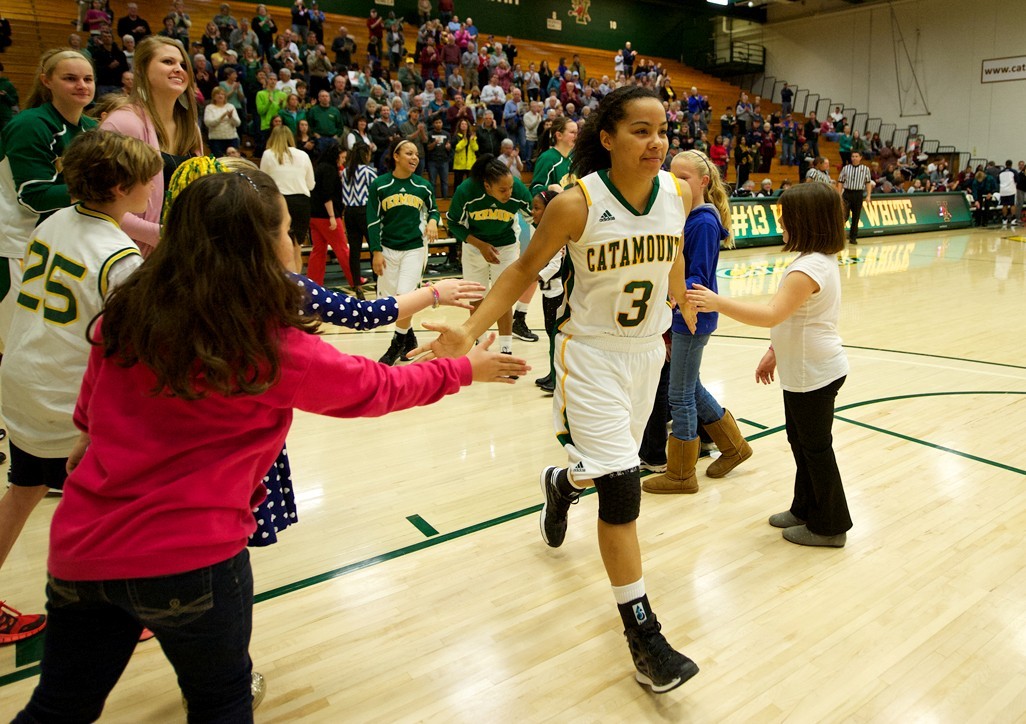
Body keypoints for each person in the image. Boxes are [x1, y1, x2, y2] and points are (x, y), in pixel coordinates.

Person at [9, 165, 526, 722]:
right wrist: (462, 370)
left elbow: (91, 393)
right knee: (222, 702)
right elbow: (378, 388)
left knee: (59, 707)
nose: (294, 240)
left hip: (83, 549)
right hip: (193, 557)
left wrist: (88, 434)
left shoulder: (132, 306)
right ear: (262, 245)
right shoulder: (268, 343)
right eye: (285, 230)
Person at [415, 87, 701, 693]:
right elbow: (520, 269)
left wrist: (679, 296)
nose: (656, 143)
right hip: (591, 355)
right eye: (640, 131)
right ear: (607, 138)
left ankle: (560, 483)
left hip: (647, 353)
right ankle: (643, 636)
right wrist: (469, 329)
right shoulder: (577, 204)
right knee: (623, 490)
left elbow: (671, 247)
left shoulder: (676, 192)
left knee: (608, 469)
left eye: (662, 131)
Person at [0, 130, 159, 647]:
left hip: (22, 376)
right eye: (145, 176)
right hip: (63, 402)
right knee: (120, 509)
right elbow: (126, 351)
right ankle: (114, 614)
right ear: (119, 186)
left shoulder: (52, 221)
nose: (151, 184)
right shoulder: (118, 257)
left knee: (22, 490)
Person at [687, 182, 851, 548]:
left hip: (816, 372)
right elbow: (797, 319)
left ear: (805, 221)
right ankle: (805, 508)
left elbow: (773, 313)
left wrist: (717, 302)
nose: (781, 223)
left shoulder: (809, 268)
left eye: (786, 217)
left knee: (816, 448)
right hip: (803, 369)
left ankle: (830, 526)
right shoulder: (814, 261)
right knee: (801, 442)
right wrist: (774, 350)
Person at [643, 150, 751, 495]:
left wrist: (670, 293)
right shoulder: (686, 215)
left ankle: (681, 473)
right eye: (672, 175)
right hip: (683, 314)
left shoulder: (702, 222)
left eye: (684, 177)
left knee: (679, 395)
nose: (676, 183)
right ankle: (734, 447)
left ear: (703, 182)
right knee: (690, 387)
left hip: (692, 317)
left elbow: (697, 281)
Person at [0, 49, 97, 355]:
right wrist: (101, 188)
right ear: (47, 81)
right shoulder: (30, 124)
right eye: (70, 78)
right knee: (15, 340)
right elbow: (34, 196)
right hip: (14, 243)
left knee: (44, 342)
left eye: (88, 79)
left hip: (56, 243)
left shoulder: (92, 128)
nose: (81, 85)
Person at [100, 35, 201, 255]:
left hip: (180, 251)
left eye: (183, 65)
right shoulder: (123, 123)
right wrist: (161, 234)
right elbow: (101, 201)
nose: (178, 69)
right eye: (168, 62)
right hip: (127, 253)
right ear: (143, 70)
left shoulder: (191, 127)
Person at [446, 155, 533, 359]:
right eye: (502, 190)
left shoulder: (518, 190)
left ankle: (506, 348)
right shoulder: (466, 191)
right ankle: (479, 345)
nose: (508, 193)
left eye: (510, 187)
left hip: (507, 245)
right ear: (487, 186)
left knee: (503, 296)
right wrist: (481, 246)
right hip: (474, 245)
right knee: (476, 296)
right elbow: (453, 224)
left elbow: (534, 218)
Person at [369, 138, 440, 365]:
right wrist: (375, 251)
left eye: (416, 154)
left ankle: (396, 343)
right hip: (388, 248)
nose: (414, 158)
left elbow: (435, 210)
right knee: (393, 301)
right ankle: (409, 339)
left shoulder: (423, 186)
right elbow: (372, 221)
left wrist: (432, 221)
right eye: (409, 153)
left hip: (414, 248)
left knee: (405, 297)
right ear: (396, 156)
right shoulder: (379, 185)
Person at [260, 125, 315, 270]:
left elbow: (262, 182)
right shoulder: (303, 155)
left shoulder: (268, 154)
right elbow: (311, 184)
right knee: (297, 248)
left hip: (278, 201)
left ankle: (283, 284)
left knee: (277, 247)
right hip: (301, 202)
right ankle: (298, 286)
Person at [307, 141, 351, 286]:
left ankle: (314, 283)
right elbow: (327, 195)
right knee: (342, 249)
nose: (343, 160)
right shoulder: (329, 170)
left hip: (314, 216)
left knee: (318, 251)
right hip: (327, 216)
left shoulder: (319, 167)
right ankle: (354, 279)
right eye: (342, 157)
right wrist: (332, 216)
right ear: (336, 156)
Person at [341, 143, 377, 299]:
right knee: (373, 248)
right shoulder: (369, 171)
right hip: (365, 211)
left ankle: (357, 285)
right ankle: (378, 282)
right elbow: (376, 192)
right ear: (366, 155)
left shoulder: (345, 172)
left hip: (349, 212)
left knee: (354, 251)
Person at [530, 116, 576, 196]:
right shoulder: (547, 158)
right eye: (572, 132)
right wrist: (549, 188)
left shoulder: (574, 157)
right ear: (559, 135)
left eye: (577, 132)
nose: (576, 136)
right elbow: (534, 190)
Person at [836, 150, 872, 244]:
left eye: (856, 156)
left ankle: (853, 238)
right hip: (847, 193)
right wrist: (839, 194)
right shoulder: (846, 168)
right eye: (853, 156)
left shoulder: (865, 169)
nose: (854, 158)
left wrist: (868, 195)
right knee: (844, 215)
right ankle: (838, 236)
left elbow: (868, 183)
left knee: (856, 217)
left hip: (858, 194)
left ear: (860, 157)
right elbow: (840, 181)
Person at [204, 85, 241, 156]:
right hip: (216, 139)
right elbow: (208, 123)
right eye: (218, 94)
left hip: (231, 138)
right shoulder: (209, 108)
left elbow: (237, 123)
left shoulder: (230, 106)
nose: (220, 96)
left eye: (222, 94)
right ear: (214, 96)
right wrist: (222, 116)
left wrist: (231, 117)